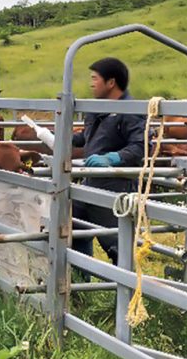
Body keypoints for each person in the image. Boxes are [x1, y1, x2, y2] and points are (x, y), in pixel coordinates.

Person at [33, 57, 146, 266]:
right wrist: (59, 138)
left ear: (111, 82)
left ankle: (125, 292)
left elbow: (139, 145)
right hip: (90, 182)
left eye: (95, 78)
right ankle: (80, 282)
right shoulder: (96, 109)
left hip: (114, 186)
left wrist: (114, 158)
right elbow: (88, 136)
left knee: (115, 243)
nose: (91, 83)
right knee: (75, 230)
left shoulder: (130, 111)